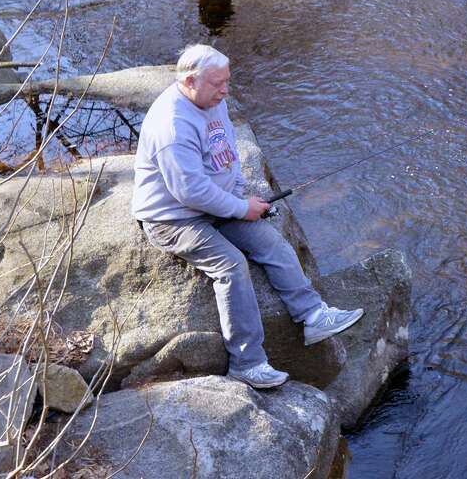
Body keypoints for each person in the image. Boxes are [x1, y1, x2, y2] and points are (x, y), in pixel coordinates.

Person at [132, 43, 364, 389]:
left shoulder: (213, 100)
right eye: (217, 83)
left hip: (217, 204)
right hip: (174, 219)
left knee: (271, 241)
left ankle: (313, 315)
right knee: (231, 265)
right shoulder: (173, 124)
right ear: (191, 81)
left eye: (228, 81)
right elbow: (189, 191)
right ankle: (247, 363)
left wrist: (240, 193)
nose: (225, 90)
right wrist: (240, 208)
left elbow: (227, 150)